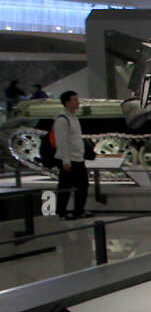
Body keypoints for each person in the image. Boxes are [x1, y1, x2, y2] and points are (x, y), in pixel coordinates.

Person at [52, 90, 88, 220]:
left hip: (78, 158)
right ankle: (62, 212)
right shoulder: (62, 120)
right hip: (69, 159)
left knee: (82, 187)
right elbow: (60, 141)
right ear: (67, 102)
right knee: (65, 187)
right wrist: (65, 160)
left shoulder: (74, 118)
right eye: (74, 99)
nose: (77, 102)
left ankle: (79, 210)